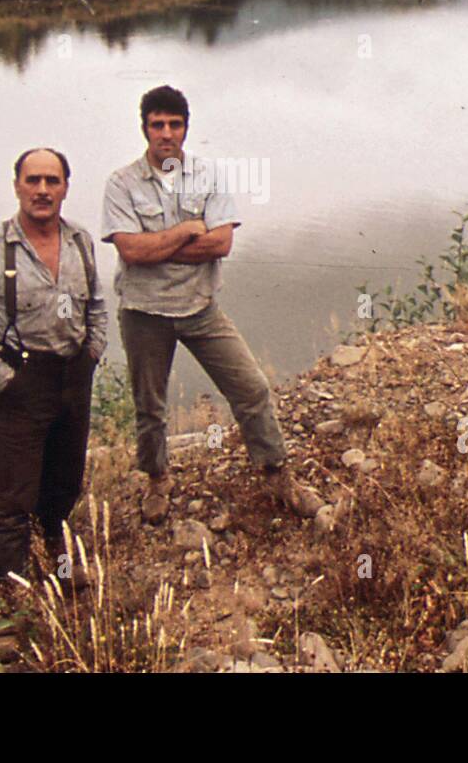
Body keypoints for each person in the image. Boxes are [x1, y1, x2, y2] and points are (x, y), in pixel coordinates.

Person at [100, 85, 323, 524]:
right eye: (157, 124)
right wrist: (187, 231)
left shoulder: (209, 176)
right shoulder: (120, 184)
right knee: (150, 405)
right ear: (144, 128)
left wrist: (156, 246)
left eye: (174, 124)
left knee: (252, 387)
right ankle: (157, 481)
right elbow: (131, 253)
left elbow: (220, 243)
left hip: (200, 307)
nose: (166, 133)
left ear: (186, 128)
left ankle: (278, 475)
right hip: (143, 312)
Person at [0, 147, 106, 580]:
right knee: (12, 501)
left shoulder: (81, 241)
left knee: (62, 489)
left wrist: (92, 353)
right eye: (33, 180)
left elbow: (97, 305)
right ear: (17, 185)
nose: (42, 190)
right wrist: (2, 381)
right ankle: (7, 606)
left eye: (52, 181)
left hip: (72, 378)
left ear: (66, 188)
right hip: (20, 382)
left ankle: (58, 571)